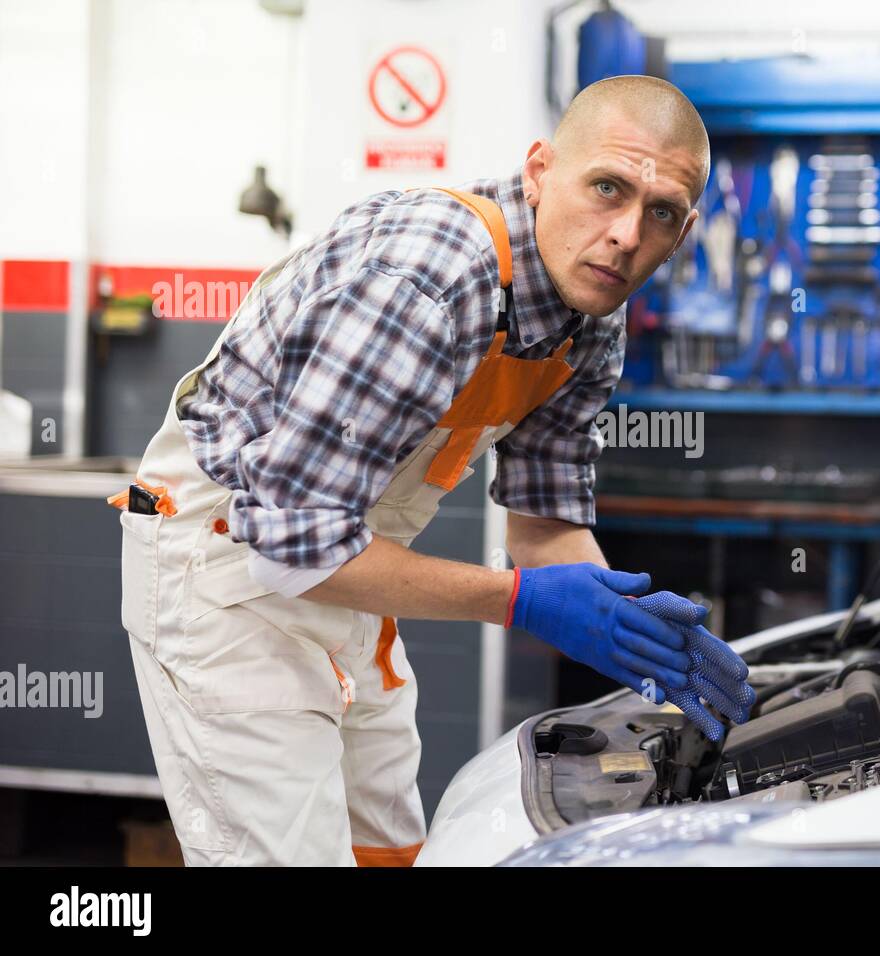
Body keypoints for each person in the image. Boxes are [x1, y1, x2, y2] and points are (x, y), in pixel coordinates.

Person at [111, 74, 753, 866]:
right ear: (539, 170)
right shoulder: (429, 276)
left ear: (685, 230)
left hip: (345, 570)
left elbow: (545, 522)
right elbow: (291, 545)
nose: (626, 234)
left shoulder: (591, 320)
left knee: (391, 849)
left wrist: (633, 634)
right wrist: (523, 604)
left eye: (660, 213)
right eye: (607, 188)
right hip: (226, 571)